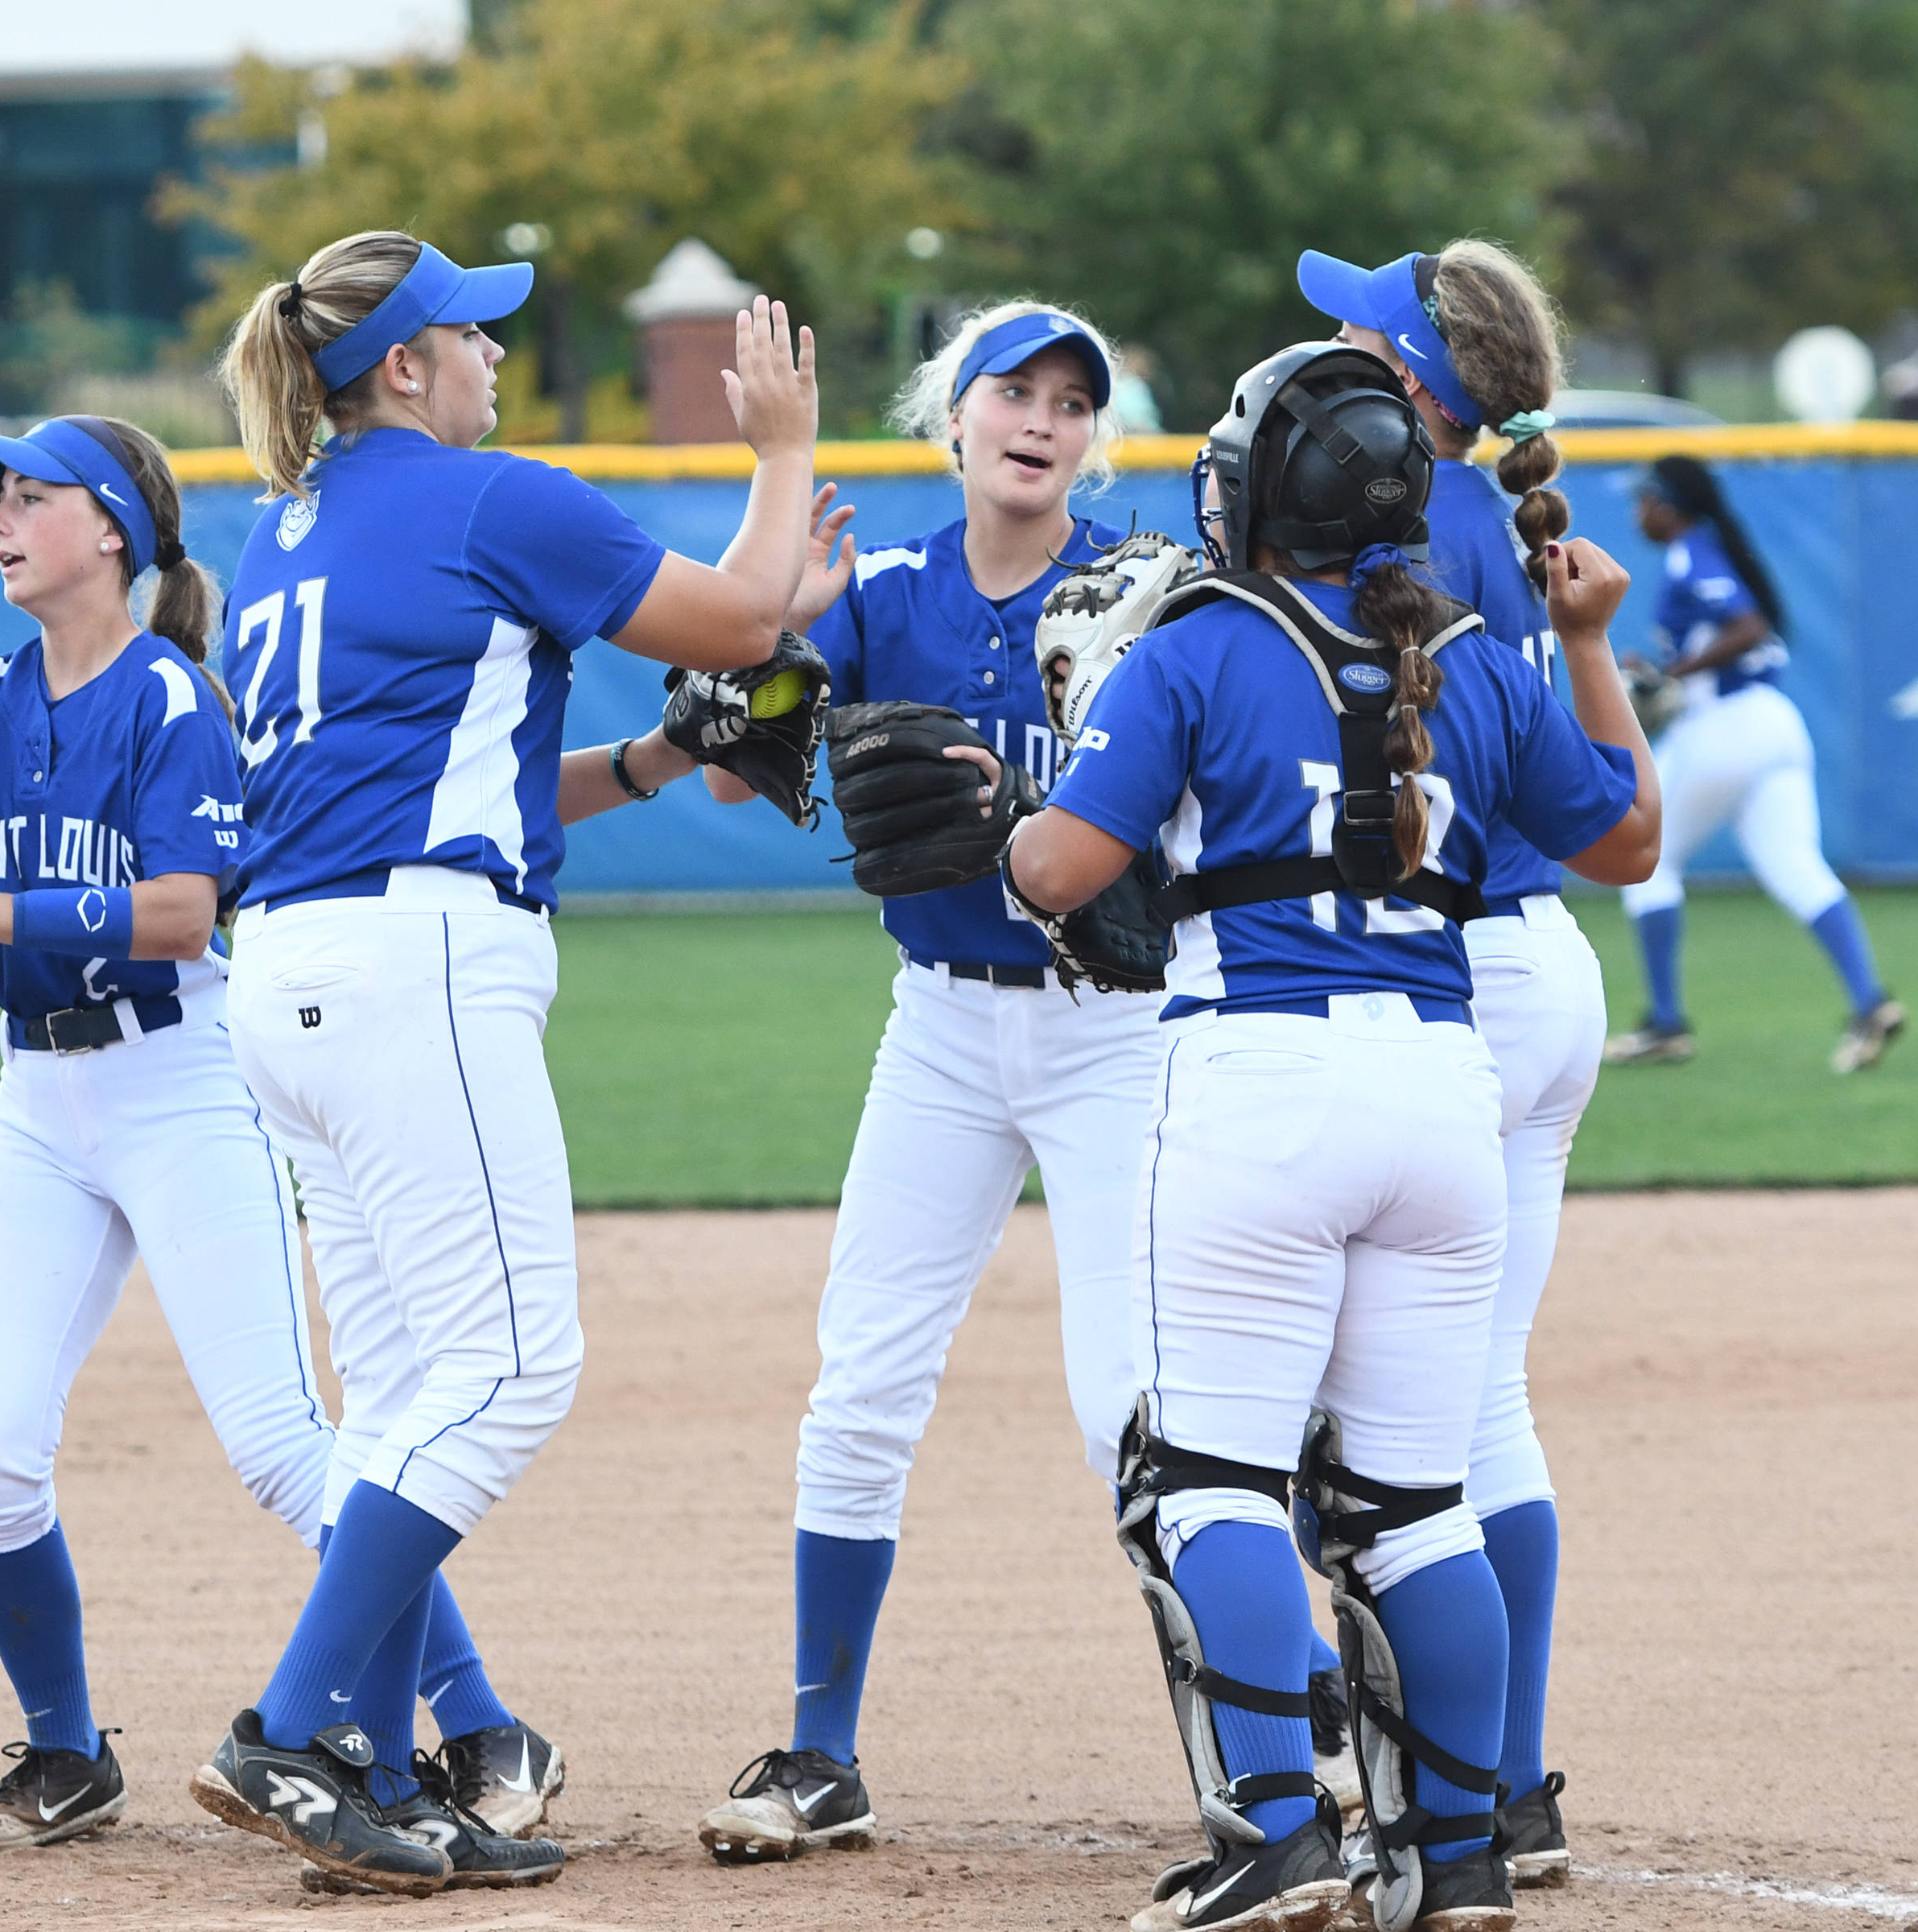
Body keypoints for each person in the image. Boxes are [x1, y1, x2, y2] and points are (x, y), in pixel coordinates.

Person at [0, 414, 556, 1861]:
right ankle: (64, 1755)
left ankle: (478, 1723)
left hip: (182, 1083)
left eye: (30, 497)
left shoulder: (175, 697)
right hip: (40, 1103)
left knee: (285, 1451)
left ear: (109, 529)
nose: (0, 517)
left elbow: (186, 908)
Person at [187, 228, 815, 1896]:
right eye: (469, 336)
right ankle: (300, 1728)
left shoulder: (284, 534)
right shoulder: (487, 498)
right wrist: (781, 450)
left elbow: (480, 775)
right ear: (402, 366)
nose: (491, 360)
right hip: (414, 972)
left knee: (403, 1395)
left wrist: (663, 756)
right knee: (519, 1366)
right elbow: (749, 613)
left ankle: (384, 1773)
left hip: (296, 975)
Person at [1003, 342, 1659, 1931]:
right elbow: (1628, 838)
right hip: (1444, 1094)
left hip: (1260, 1091)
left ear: (1256, 498)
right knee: (1415, 1507)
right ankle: (1460, 1857)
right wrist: (1586, 643)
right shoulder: (1483, 660)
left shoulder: (1201, 646)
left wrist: (1052, 763)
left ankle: (1278, 1837)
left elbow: (1058, 875)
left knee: (1202, 1480)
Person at [685, 301, 1179, 1864]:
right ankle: (821, 1756)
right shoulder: (880, 587)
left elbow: (1191, 818)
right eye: (1012, 391)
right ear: (951, 417)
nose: (1041, 417)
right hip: (947, 1029)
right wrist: (783, 635)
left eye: (1070, 399)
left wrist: (1035, 794)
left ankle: (1250, 1764)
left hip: (1116, 1031)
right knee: (860, 1390)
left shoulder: (1144, 593)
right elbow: (717, 766)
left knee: (1140, 1408)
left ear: (1094, 434)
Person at [1297, 237, 1596, 1883]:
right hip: (1543, 969)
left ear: (1410, 369)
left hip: (1453, 973)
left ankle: (1427, 1774)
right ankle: (1510, 1777)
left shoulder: (1393, 513)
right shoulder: (1484, 513)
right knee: (1482, 1402)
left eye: (1358, 324)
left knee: (1380, 1412)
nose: (1330, 336)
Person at [1604, 452, 1902, 1073]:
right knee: (1798, 868)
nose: (1639, 511)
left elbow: (1747, 627)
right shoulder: (1710, 548)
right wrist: (1666, 671)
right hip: (1773, 726)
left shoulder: (1691, 556)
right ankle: (1870, 1002)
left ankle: (1665, 1022)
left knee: (1646, 864)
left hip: (1724, 730)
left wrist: (1669, 673)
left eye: (1645, 500)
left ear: (1670, 505)